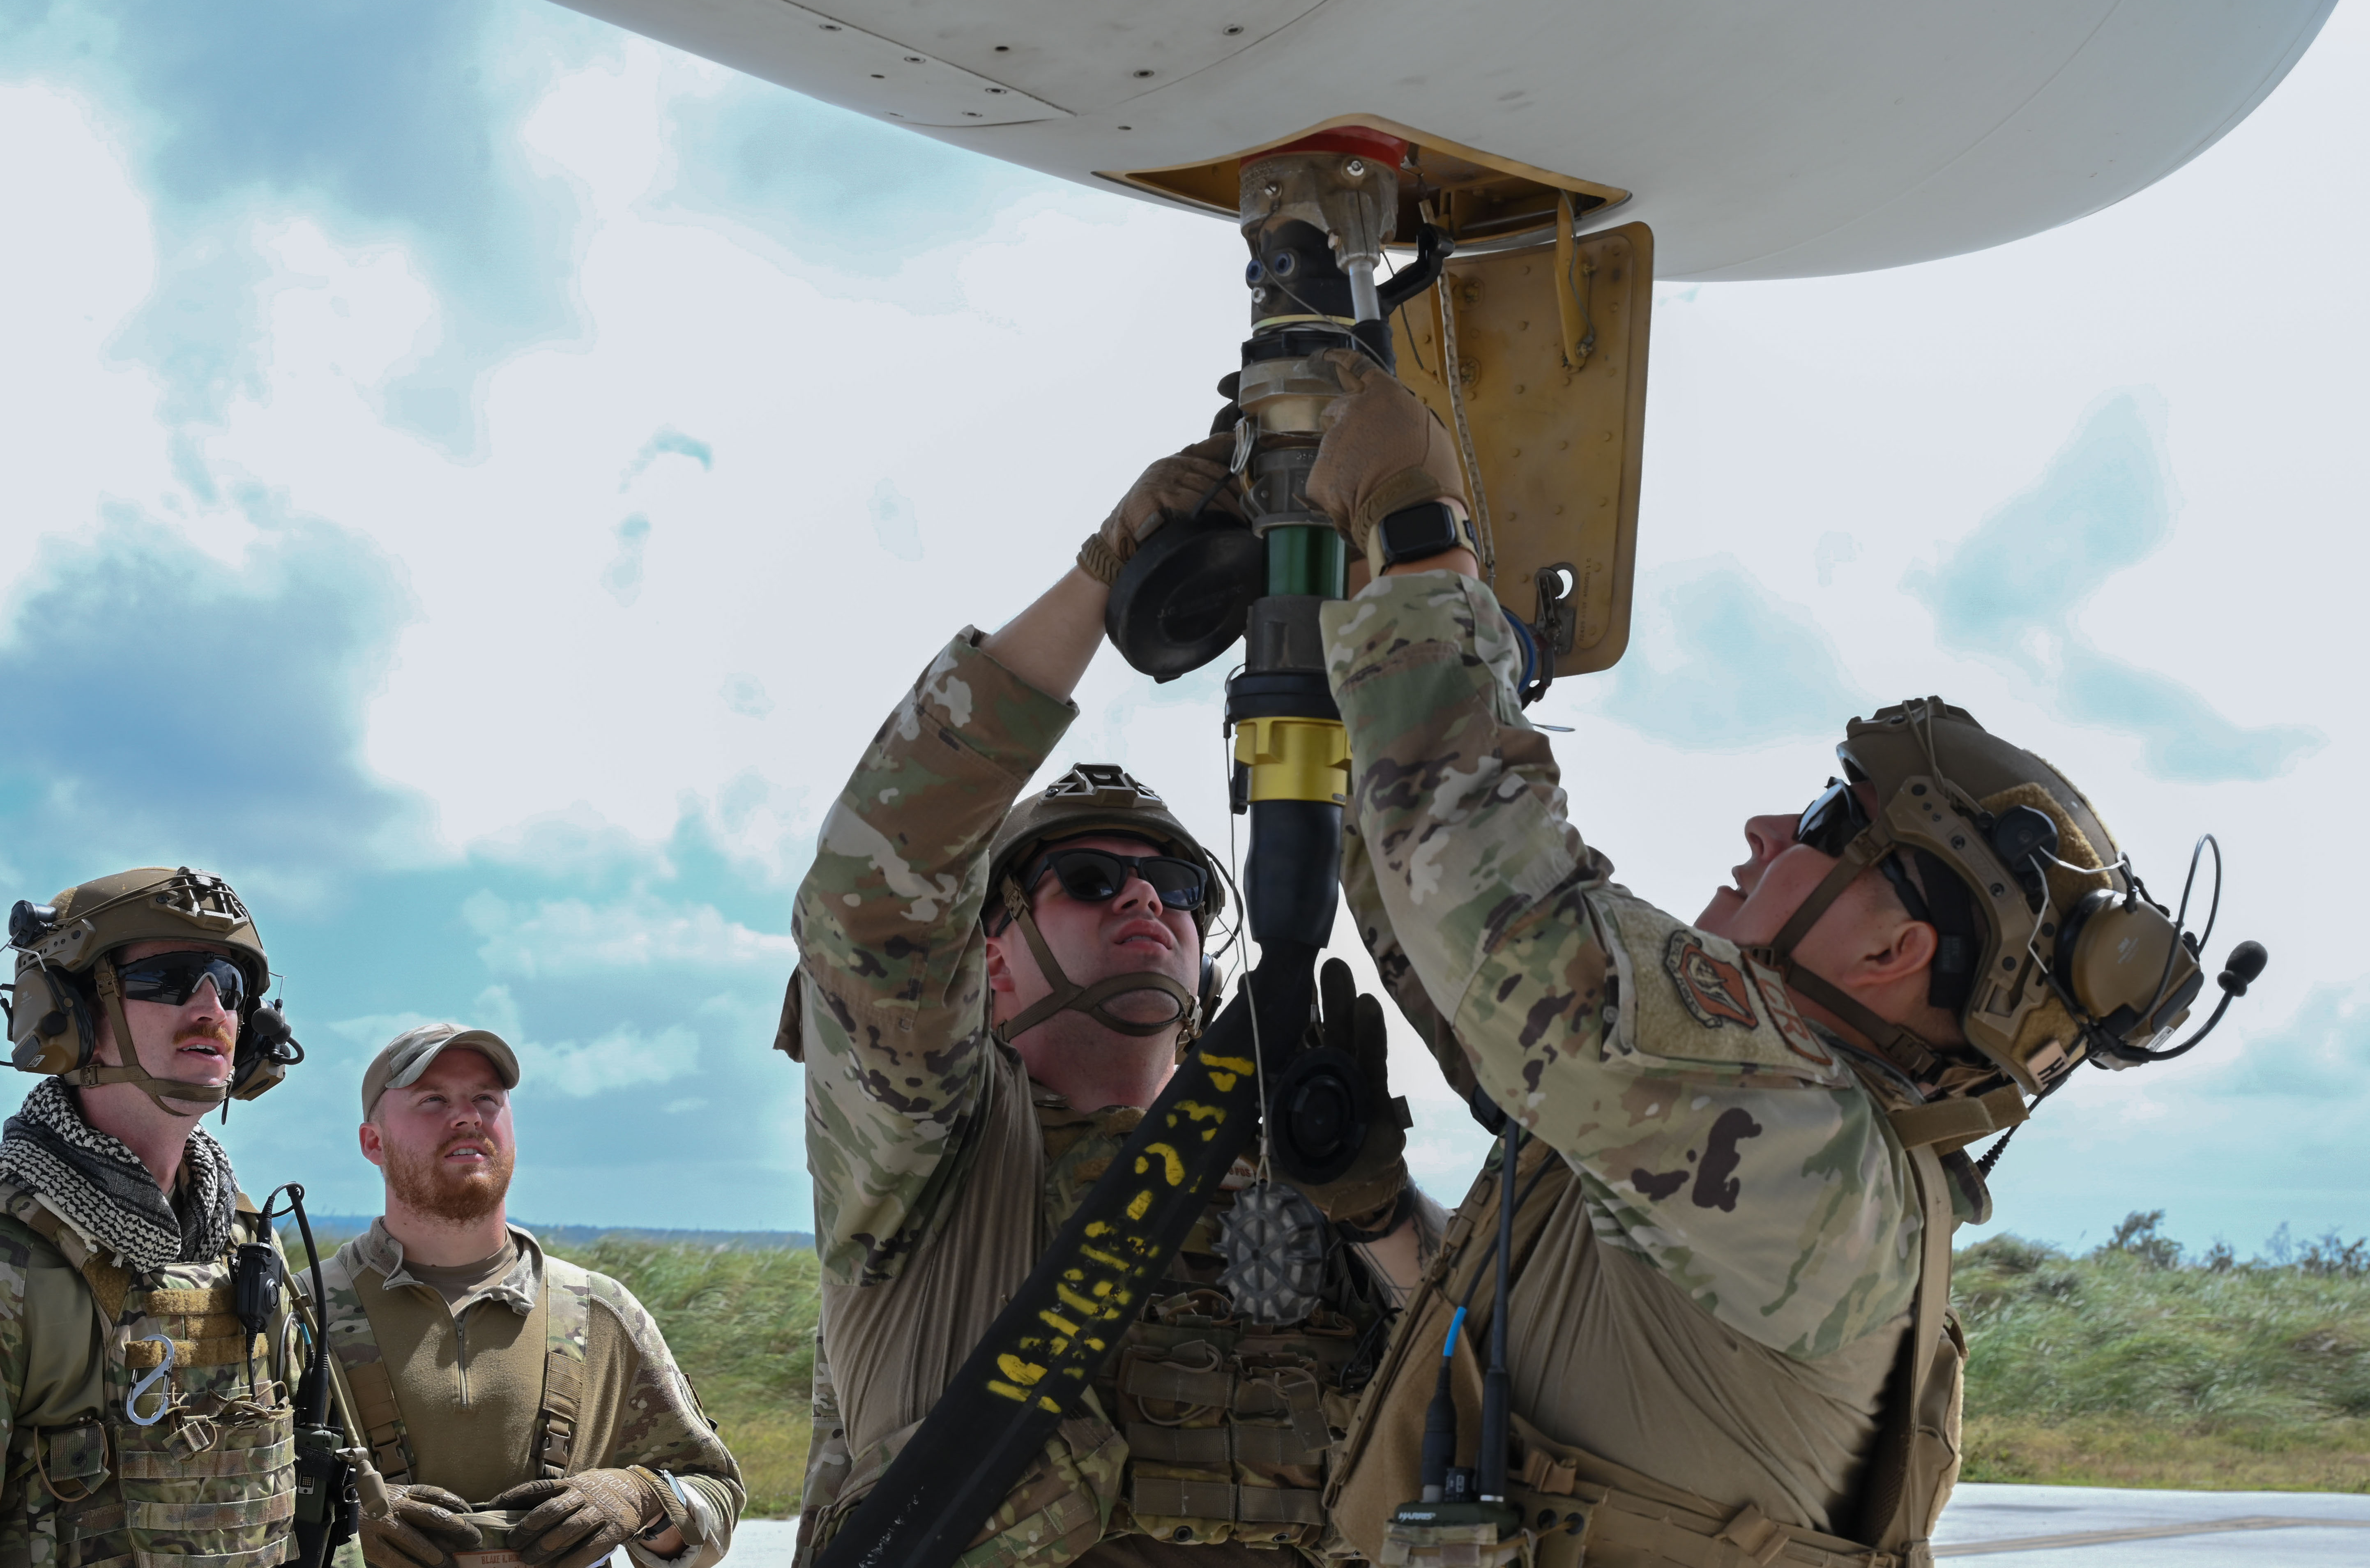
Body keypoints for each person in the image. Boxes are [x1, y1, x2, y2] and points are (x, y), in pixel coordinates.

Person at [1292, 351, 2226, 1568]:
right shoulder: (1809, 1170)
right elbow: (1439, 913)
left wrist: (1420, 535)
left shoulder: (1805, 1144)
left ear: (1897, 946)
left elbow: (1491, 900)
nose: (1764, 834)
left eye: (1828, 823)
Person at [785, 439, 1435, 1567]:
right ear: (990, 953)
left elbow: (1501, 1387)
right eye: (1086, 879)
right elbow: (875, 893)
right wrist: (1106, 576)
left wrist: (1381, 1215)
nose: (1144, 895)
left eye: (1177, 885)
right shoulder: (931, 1152)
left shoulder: (1308, 1174)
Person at [306, 1024, 743, 1568]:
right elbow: (218, 1498)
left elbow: (714, 1488)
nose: (465, 1116)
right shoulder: (301, 1315)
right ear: (373, 1142)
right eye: (433, 1099)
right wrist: (335, 1524)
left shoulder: (599, 1312)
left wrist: (640, 1499)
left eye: (486, 1099)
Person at [0, 867, 309, 1568]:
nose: (211, 1008)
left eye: (230, 987)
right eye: (169, 978)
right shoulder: (12, 1250)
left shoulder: (243, 1237)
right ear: (70, 1011)